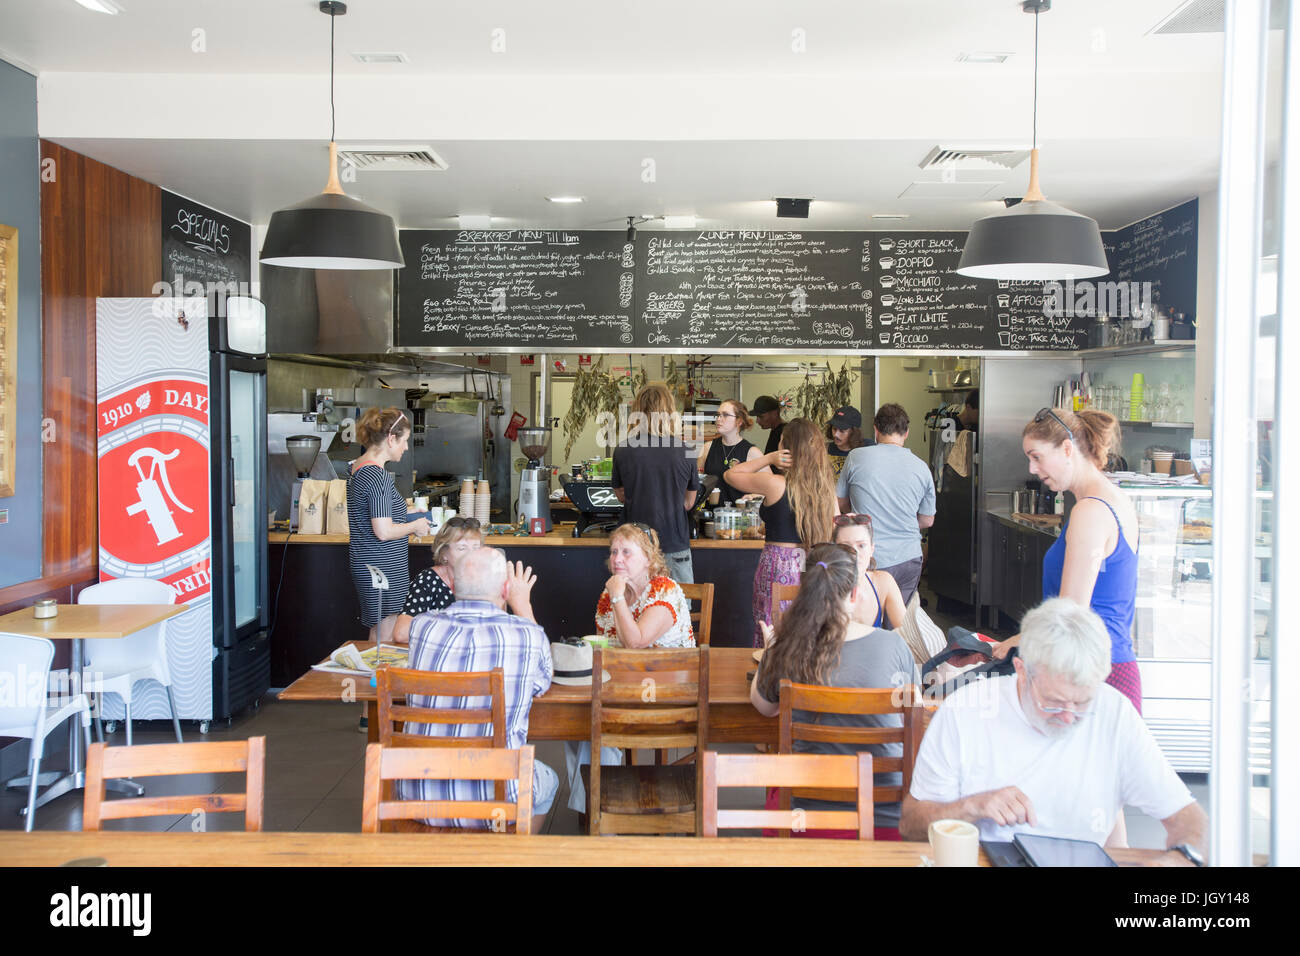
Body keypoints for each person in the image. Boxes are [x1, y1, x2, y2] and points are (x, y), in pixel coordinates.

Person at [901, 598, 1207, 863]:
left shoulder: (1114, 712)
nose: (1068, 716)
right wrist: (972, 806)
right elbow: (912, 825)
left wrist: (1182, 858)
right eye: (1053, 702)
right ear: (1021, 671)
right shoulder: (966, 710)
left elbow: (1190, 818)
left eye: (1083, 702)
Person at [750, 543, 921, 838]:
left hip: (805, 815)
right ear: (854, 594)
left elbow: (764, 707)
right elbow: (914, 715)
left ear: (805, 590)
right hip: (885, 818)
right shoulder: (893, 645)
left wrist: (769, 650)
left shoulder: (787, 647)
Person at [992, 407, 1142, 712]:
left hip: (1092, 674)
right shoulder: (1114, 500)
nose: (1032, 469)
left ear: (1067, 448)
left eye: (1036, 456)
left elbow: (1070, 613)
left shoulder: (1090, 512)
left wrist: (1019, 640)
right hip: (1105, 665)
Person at [400, 547, 556, 832]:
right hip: (495, 799)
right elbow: (544, 679)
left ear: (453, 586)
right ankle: (511, 855)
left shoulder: (421, 628)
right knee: (549, 779)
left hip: (417, 794)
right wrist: (523, 606)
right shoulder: (527, 634)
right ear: (506, 589)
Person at [726, 417, 837, 647]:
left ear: (787, 449)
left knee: (770, 627)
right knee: (807, 629)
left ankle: (768, 677)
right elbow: (835, 526)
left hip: (777, 565)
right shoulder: (825, 489)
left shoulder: (776, 484)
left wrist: (768, 458)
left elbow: (731, 475)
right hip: (813, 564)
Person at [835, 403, 935, 607]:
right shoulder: (922, 467)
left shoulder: (856, 457)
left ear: (876, 429)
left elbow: (840, 502)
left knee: (868, 618)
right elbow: (927, 520)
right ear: (906, 433)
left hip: (870, 557)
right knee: (898, 622)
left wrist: (860, 519)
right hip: (909, 558)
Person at [346, 407, 431, 644]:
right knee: (385, 634)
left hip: (369, 562)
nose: (405, 448)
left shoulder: (358, 468)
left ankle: (377, 678)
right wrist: (415, 527)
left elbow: (374, 512)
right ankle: (379, 679)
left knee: (381, 630)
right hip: (381, 566)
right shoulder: (378, 476)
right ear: (391, 439)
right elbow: (383, 531)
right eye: (404, 441)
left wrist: (409, 512)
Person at [611, 383, 699, 583]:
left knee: (632, 610)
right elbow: (688, 502)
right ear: (670, 412)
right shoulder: (686, 450)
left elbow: (621, 495)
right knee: (678, 611)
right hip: (675, 546)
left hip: (633, 549)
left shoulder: (623, 450)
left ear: (637, 412)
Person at [594, 523, 696, 649]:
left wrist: (617, 598)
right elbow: (601, 643)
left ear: (649, 559)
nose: (617, 559)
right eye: (614, 552)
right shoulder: (614, 589)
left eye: (626, 552)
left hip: (668, 667)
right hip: (622, 666)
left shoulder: (664, 591)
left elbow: (635, 645)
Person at [391, 517, 484, 644]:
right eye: (462, 548)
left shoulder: (486, 580)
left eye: (476, 548)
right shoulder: (428, 580)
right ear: (444, 553)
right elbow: (401, 633)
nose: (471, 555)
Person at [832, 513, 906, 630]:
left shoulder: (883, 582)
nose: (854, 553)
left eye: (861, 545)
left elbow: (907, 634)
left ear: (872, 549)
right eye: (845, 547)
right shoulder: (823, 585)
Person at [696, 399, 764, 506]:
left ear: (739, 421)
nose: (719, 419)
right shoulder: (707, 447)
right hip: (709, 516)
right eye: (718, 415)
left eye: (725, 415)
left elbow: (769, 487)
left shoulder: (752, 452)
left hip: (739, 518)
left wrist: (752, 496)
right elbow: (697, 480)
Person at [825, 405, 868, 478]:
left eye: (842, 431)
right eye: (834, 429)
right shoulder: (824, 449)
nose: (836, 435)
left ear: (854, 433)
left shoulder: (867, 449)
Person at [752, 395, 788, 471]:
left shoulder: (786, 432)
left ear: (774, 413)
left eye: (761, 417)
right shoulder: (775, 430)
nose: (757, 421)